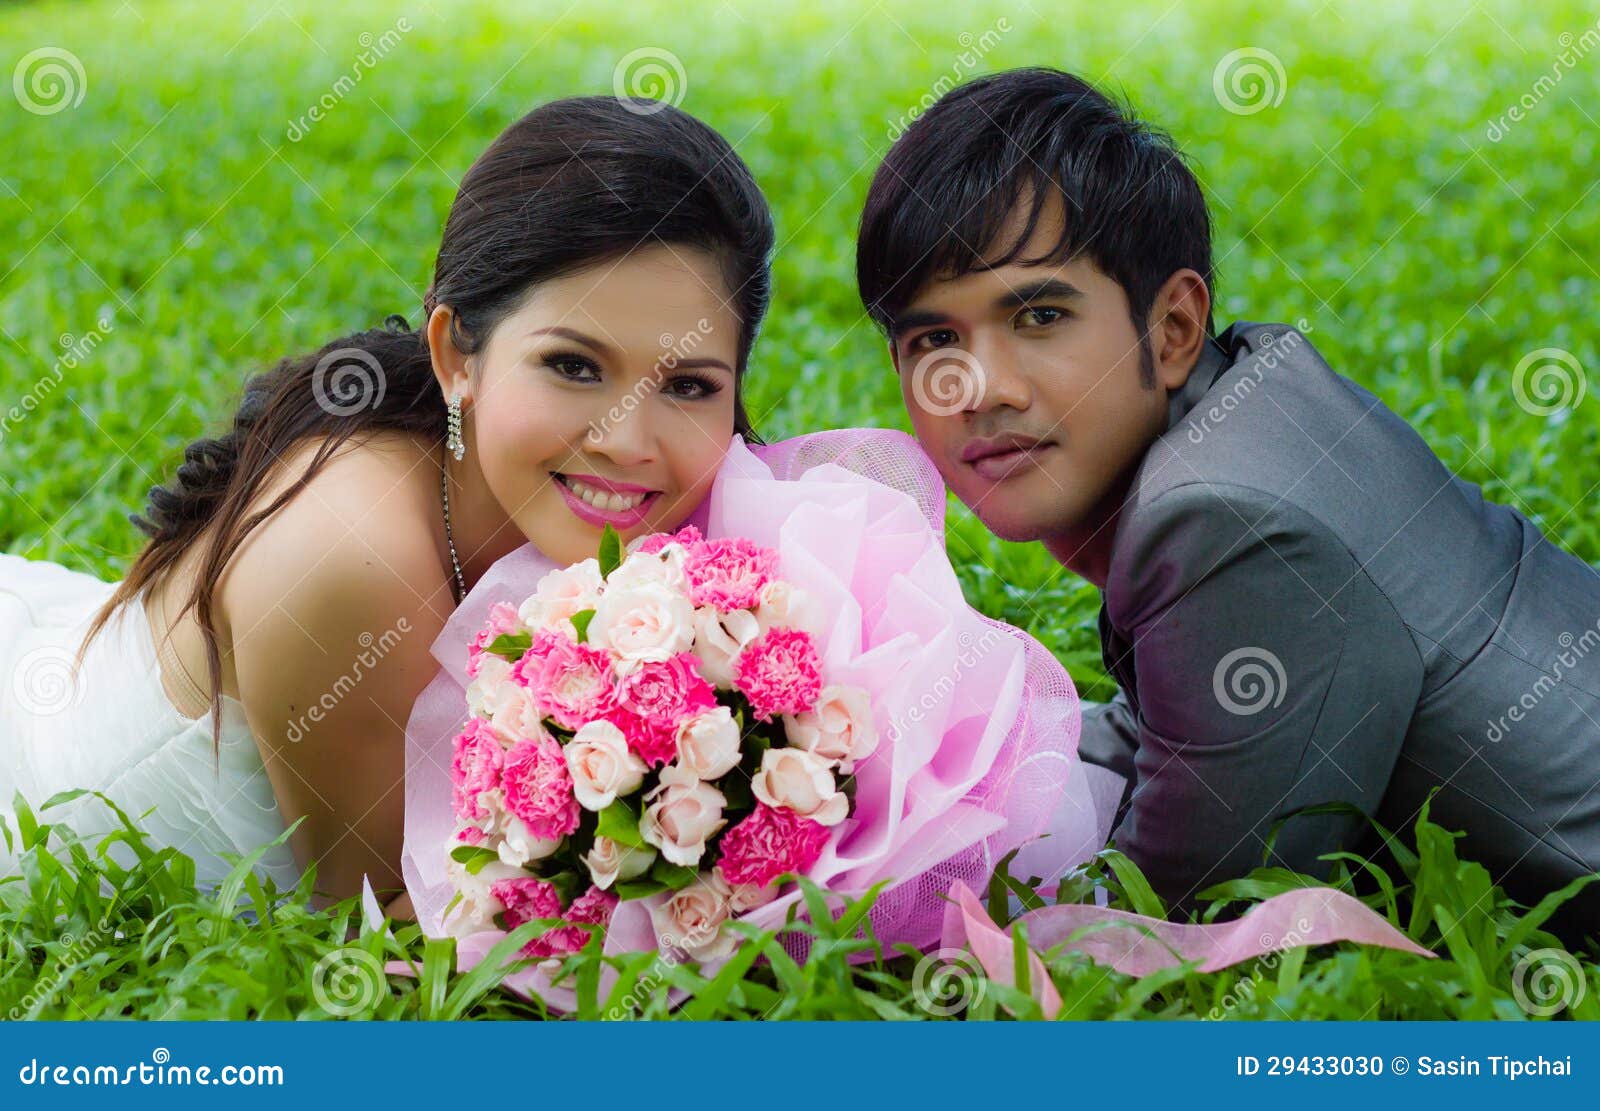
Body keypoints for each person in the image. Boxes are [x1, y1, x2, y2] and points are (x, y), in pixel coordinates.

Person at [855, 66, 1600, 940]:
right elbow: (1168, 732)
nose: (978, 388)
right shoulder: (1254, 390)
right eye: (934, 338)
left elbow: (1186, 920)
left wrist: (874, 906)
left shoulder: (1222, 518)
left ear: (1172, 329)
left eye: (1040, 316)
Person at [0, 94, 775, 910]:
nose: (627, 438)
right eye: (574, 366)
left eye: (689, 385)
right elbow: (402, 938)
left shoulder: (692, 516)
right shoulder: (355, 560)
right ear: (455, 356)